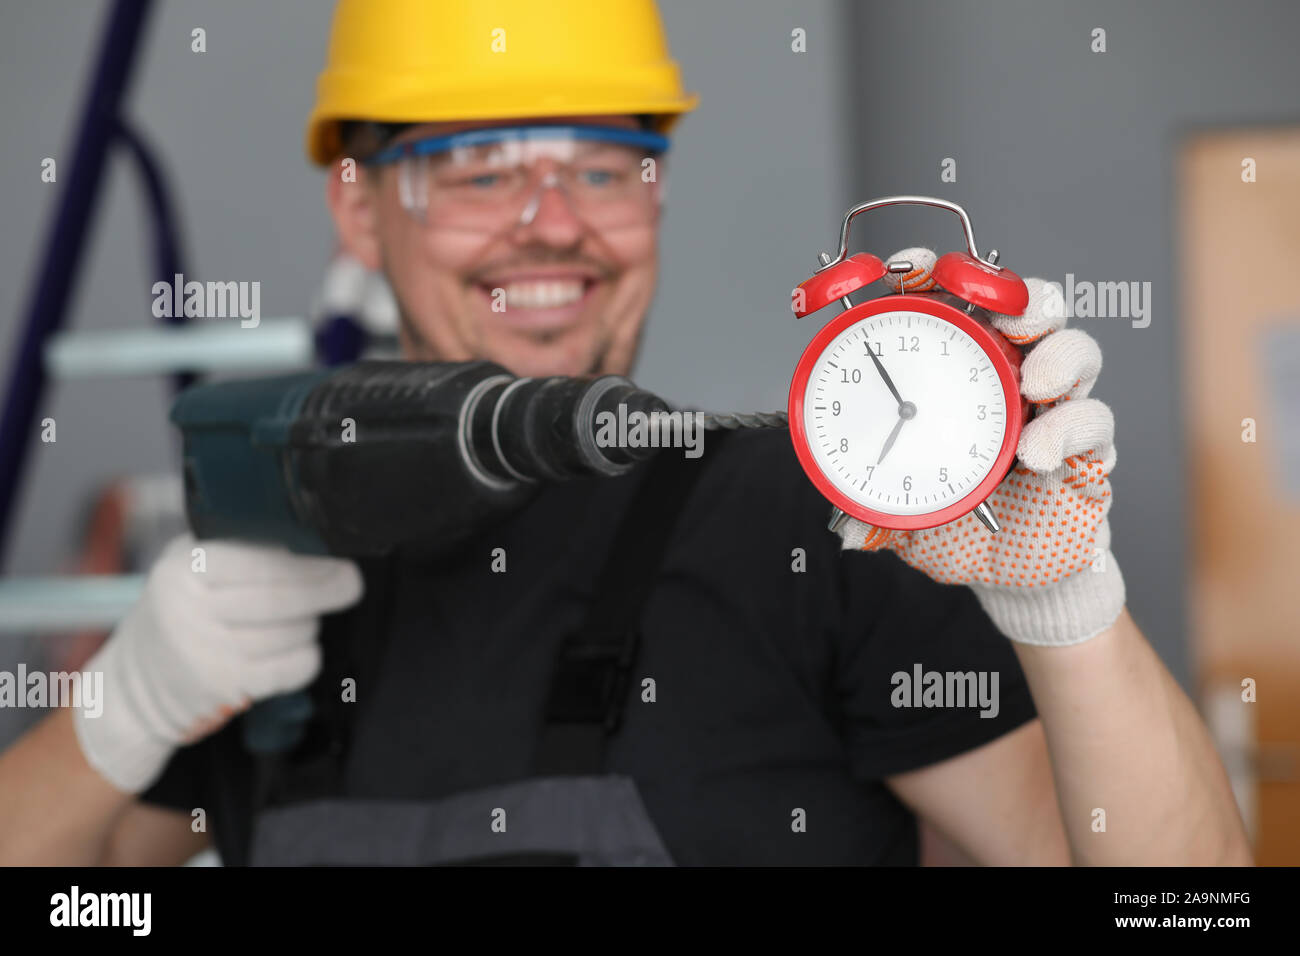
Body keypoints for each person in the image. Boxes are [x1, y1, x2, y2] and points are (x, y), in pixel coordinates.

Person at [0, 0, 1250, 866]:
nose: (552, 223)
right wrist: (123, 704)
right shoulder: (282, 542)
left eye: (606, 164)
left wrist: (1068, 606)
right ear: (357, 203)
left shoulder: (839, 517)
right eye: (477, 164)